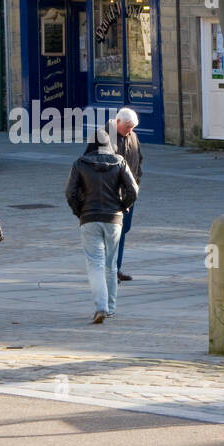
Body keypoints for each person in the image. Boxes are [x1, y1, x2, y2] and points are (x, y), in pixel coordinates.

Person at [65, 128, 138, 324]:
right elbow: (133, 189)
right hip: (114, 219)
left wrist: (79, 211)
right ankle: (111, 308)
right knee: (111, 265)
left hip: (89, 217)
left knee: (95, 264)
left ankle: (101, 306)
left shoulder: (80, 163)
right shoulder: (119, 161)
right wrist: (123, 207)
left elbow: (70, 193)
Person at [106, 107, 143, 282]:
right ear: (118, 121)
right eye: (128, 126)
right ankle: (109, 270)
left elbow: (139, 159)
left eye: (133, 127)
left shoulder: (133, 137)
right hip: (111, 195)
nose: (130, 130)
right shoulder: (104, 138)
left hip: (129, 195)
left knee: (122, 231)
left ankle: (116, 268)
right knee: (112, 232)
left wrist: (136, 183)